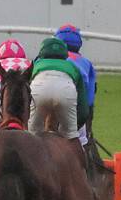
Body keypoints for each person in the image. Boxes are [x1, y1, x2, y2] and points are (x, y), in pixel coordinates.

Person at [28, 37, 91, 175]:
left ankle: (28, 171)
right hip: (66, 91)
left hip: (39, 89)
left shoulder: (35, 65)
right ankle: (84, 175)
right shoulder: (73, 67)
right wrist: (70, 128)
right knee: (72, 136)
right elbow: (83, 110)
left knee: (32, 136)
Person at [54, 23, 103, 173]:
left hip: (48, 103)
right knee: (83, 140)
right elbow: (89, 98)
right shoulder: (86, 63)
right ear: (79, 44)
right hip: (76, 107)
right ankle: (86, 175)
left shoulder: (49, 59)